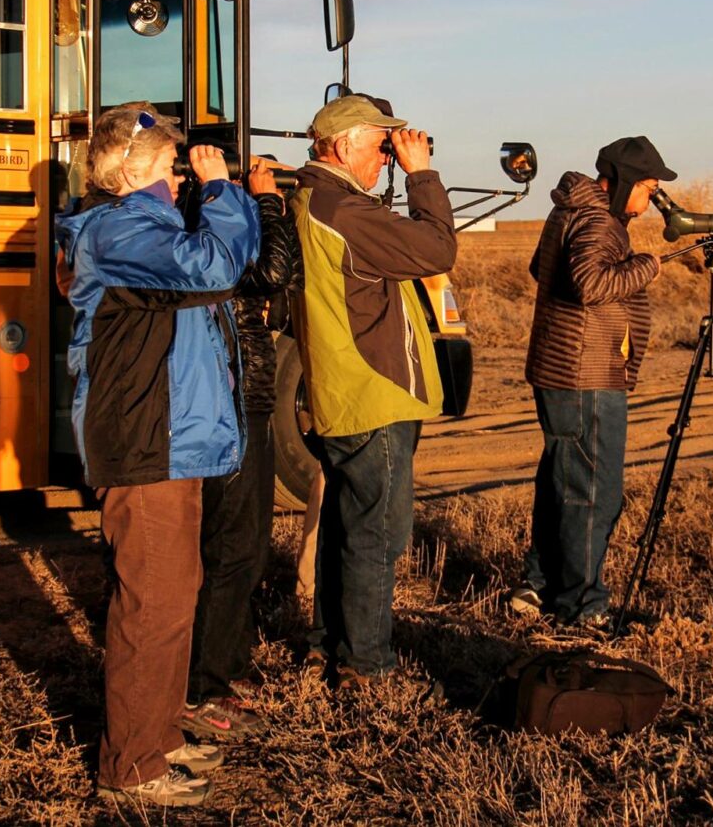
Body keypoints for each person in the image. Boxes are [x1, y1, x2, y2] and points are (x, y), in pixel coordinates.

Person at [55, 103, 259, 809]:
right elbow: (216, 266)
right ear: (133, 170)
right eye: (172, 166)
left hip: (174, 440)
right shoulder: (118, 230)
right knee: (150, 608)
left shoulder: (148, 227)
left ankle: (159, 734)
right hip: (148, 442)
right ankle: (131, 767)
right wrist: (226, 192)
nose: (182, 177)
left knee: (174, 600)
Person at [289, 93, 456, 687]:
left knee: (343, 523)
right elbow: (437, 250)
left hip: (341, 388)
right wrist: (424, 176)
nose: (387, 159)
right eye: (379, 147)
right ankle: (366, 663)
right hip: (372, 389)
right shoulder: (344, 210)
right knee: (376, 535)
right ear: (341, 146)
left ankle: (327, 643)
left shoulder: (311, 199)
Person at [509, 135, 675, 626]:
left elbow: (543, 267)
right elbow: (592, 285)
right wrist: (646, 266)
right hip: (586, 376)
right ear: (622, 182)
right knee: (592, 490)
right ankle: (582, 606)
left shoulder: (570, 211)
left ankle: (538, 585)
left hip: (559, 370)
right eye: (646, 188)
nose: (649, 202)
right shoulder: (600, 220)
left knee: (560, 480)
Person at [181, 156, 301, 739]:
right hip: (229, 399)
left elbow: (281, 283)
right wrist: (267, 200)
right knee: (231, 546)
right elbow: (274, 271)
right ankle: (202, 686)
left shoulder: (215, 225)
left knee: (247, 543)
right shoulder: (202, 233)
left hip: (248, 392)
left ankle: (225, 663)